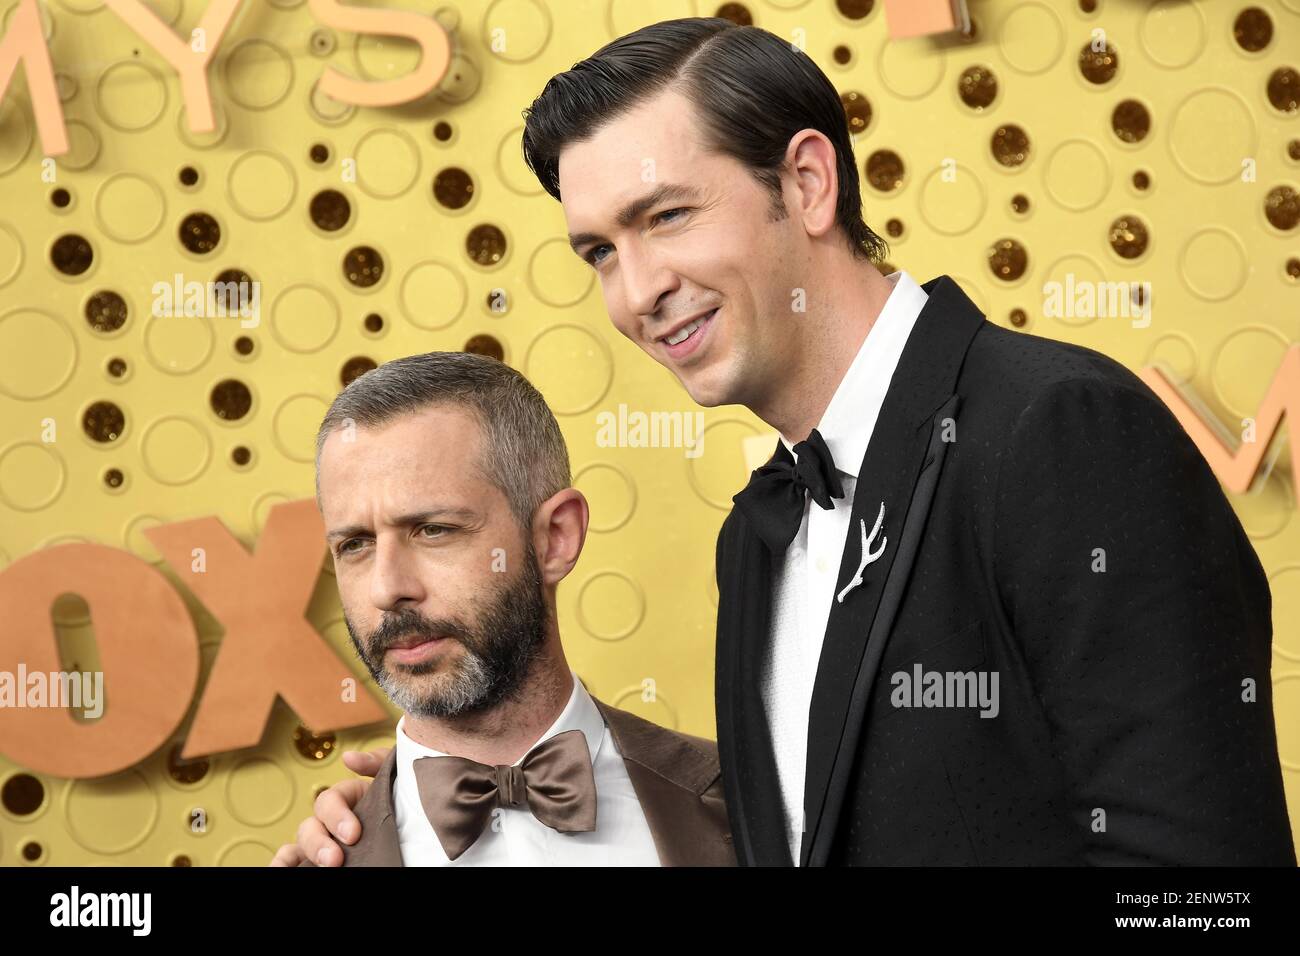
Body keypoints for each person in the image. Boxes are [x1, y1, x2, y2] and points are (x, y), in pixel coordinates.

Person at [284, 17, 1296, 866]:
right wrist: (393, 827)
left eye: (667, 215)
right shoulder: (758, 533)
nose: (636, 293)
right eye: (600, 250)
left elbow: (1202, 885)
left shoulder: (1060, 428)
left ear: (809, 182)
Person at [271, 352, 733, 866]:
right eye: (355, 544)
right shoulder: (328, 858)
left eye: (433, 530)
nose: (386, 589)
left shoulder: (753, 805)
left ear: (556, 538)